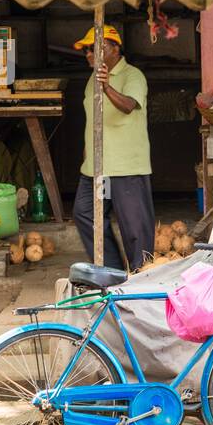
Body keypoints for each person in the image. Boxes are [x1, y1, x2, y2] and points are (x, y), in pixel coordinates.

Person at [71, 24, 154, 269]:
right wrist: (87, 156)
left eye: (94, 48)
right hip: (97, 170)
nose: (88, 54)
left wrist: (107, 87)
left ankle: (142, 277)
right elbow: (93, 121)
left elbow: (129, 105)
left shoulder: (133, 76)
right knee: (86, 213)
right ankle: (113, 270)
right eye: (86, 50)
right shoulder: (91, 79)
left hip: (126, 168)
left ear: (115, 48)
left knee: (134, 228)